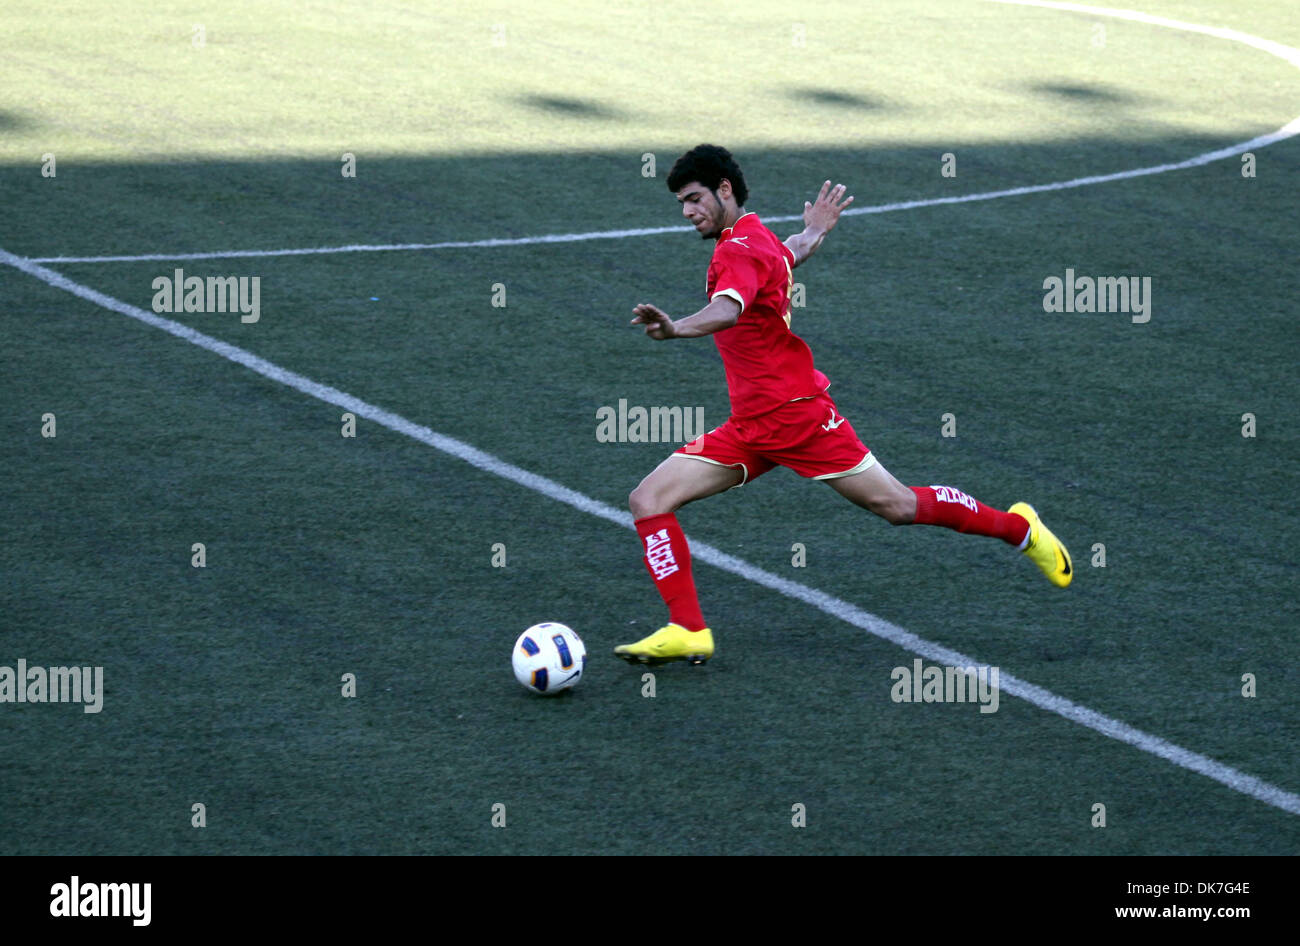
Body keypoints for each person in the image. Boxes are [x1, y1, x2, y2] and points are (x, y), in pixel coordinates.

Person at [615, 144, 1071, 667]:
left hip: (798, 418)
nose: (687, 212)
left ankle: (1022, 529)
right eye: (680, 203)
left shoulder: (736, 251)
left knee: (897, 506)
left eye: (694, 198)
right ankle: (688, 629)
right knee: (648, 500)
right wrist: (815, 232)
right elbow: (790, 252)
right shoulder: (754, 236)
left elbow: (725, 309)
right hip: (752, 427)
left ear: (724, 190)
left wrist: (675, 329)